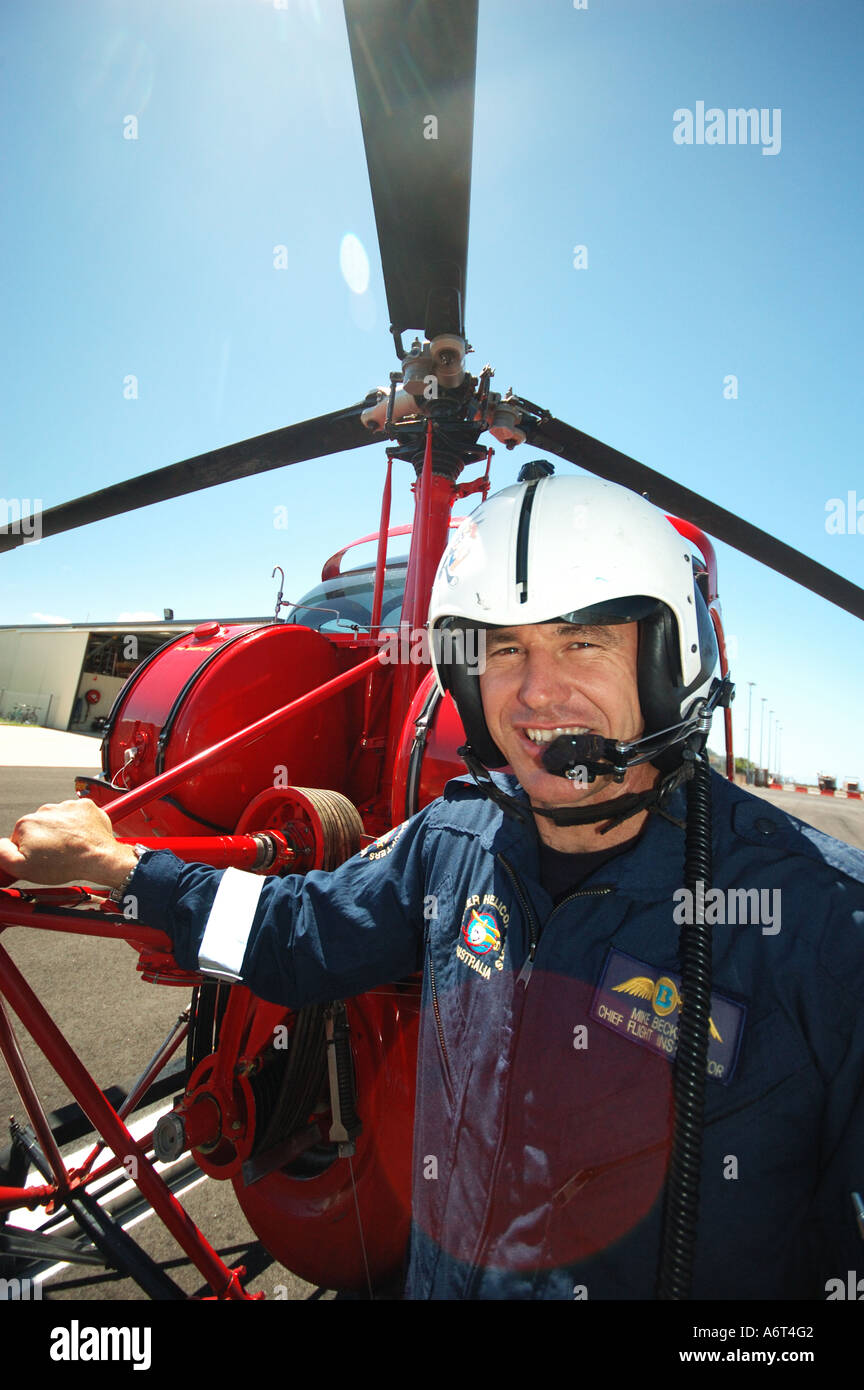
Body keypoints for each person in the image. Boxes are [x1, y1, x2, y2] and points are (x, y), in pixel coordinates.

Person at [2, 472, 863, 1302]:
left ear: (672, 662)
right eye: (501, 649)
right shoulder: (455, 838)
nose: (534, 692)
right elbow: (294, 936)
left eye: (583, 641)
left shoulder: (828, 930)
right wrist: (118, 868)